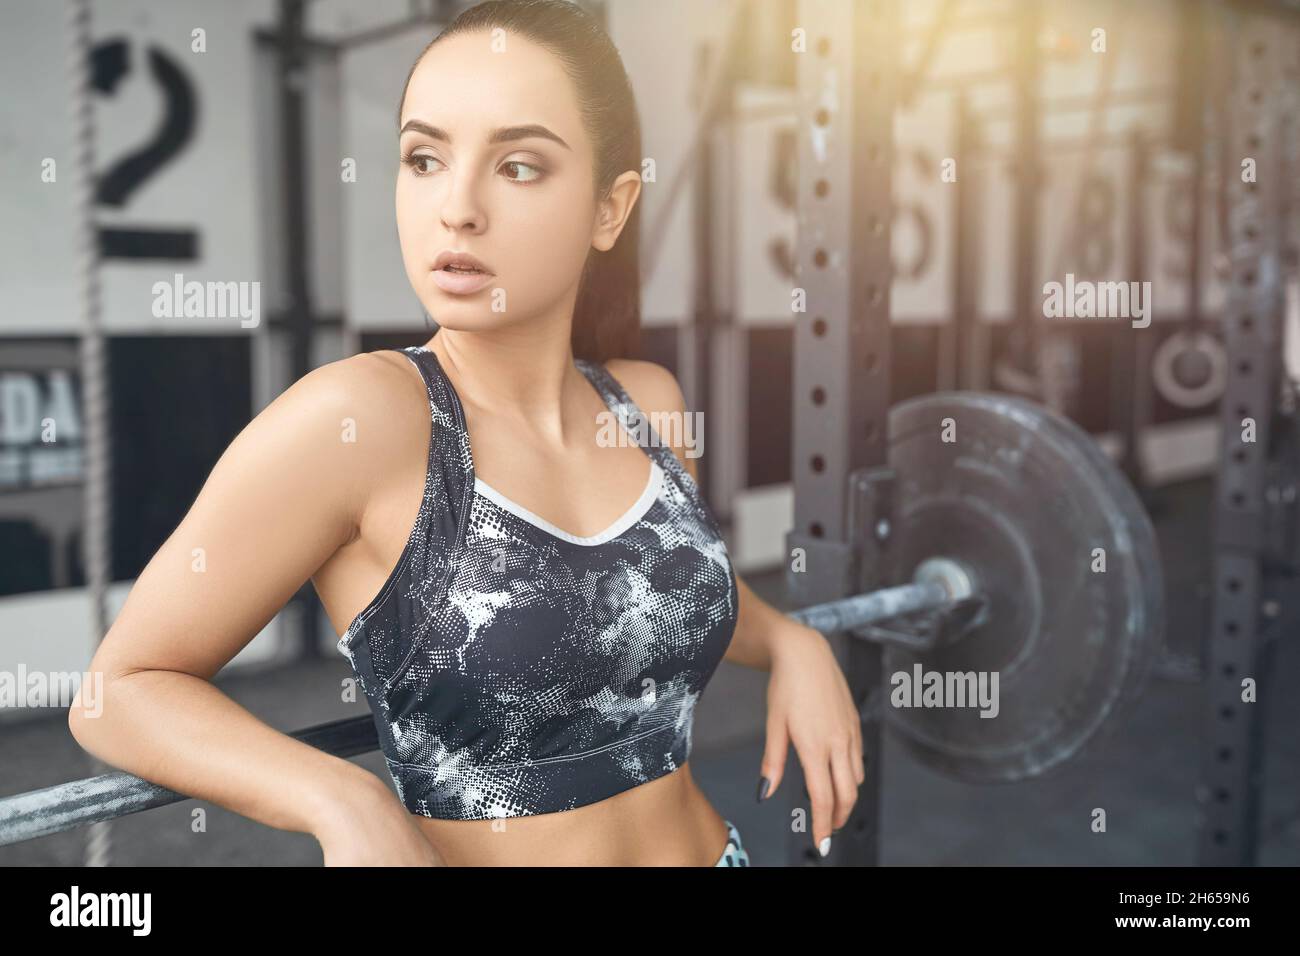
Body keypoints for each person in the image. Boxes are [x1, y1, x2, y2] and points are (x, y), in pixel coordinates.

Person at [68, 0, 863, 866]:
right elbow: (120, 691)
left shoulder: (648, 403)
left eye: (518, 166)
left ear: (610, 208)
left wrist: (792, 639)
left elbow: (650, 594)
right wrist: (341, 798)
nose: (458, 207)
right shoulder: (360, 422)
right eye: (424, 158)